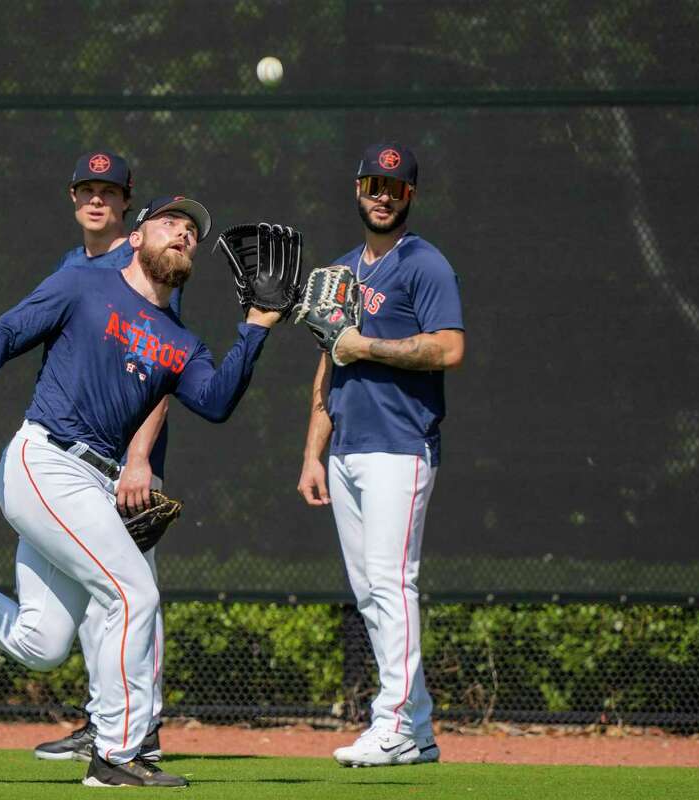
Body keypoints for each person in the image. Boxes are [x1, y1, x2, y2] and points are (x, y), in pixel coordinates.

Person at [0, 196, 285, 788]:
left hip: (93, 483)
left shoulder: (182, 342)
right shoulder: (82, 286)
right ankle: (117, 756)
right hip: (46, 461)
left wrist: (255, 328)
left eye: (192, 231)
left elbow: (217, 401)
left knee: (41, 642)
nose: (183, 232)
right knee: (134, 594)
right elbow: (5, 332)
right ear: (135, 237)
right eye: (169, 222)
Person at [296, 142, 464, 767]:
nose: (383, 194)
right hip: (346, 450)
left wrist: (364, 346)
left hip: (401, 445)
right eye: (374, 182)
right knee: (370, 592)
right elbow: (328, 362)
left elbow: (449, 349)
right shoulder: (341, 271)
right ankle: (416, 728)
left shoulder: (426, 264)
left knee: (394, 585)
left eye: (395, 185)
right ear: (358, 187)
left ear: (409, 195)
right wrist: (314, 453)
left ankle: (391, 723)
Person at [33, 151, 175, 764]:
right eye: (88, 189)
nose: (98, 200)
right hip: (73, 457)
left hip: (123, 464)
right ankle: (106, 721)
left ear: (126, 203)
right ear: (73, 198)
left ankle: (142, 727)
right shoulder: (70, 265)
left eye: (109, 191)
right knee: (103, 597)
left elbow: (168, 365)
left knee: (131, 590)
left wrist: (140, 458)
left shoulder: (142, 262)